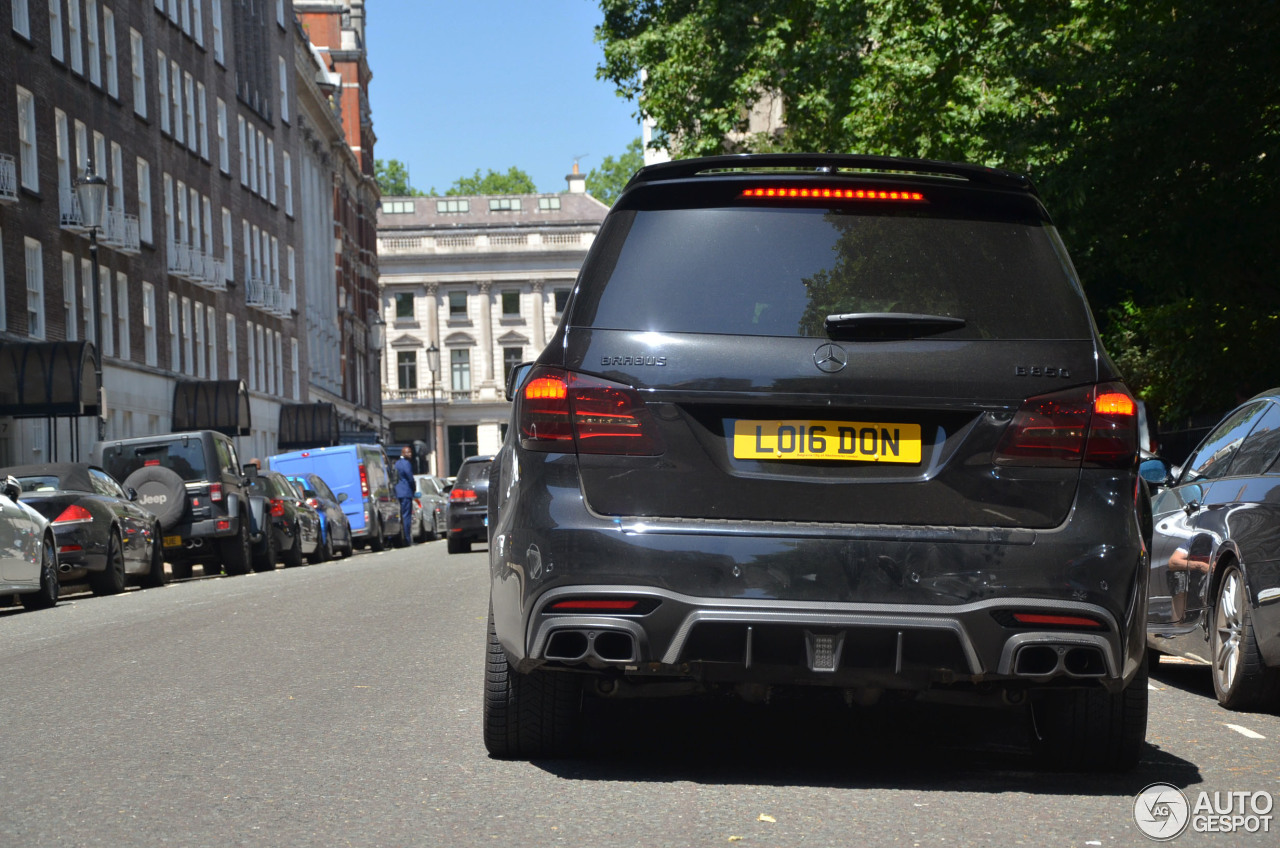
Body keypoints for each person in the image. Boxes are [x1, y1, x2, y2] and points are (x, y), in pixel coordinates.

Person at [393, 445, 416, 546]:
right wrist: (413, 488)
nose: (410, 454)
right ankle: (407, 539)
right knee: (406, 516)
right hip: (406, 492)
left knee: (400, 516)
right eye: (408, 452)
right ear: (403, 453)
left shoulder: (396, 463)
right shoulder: (406, 464)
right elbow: (410, 478)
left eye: (410, 452)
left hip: (398, 492)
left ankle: (399, 538)